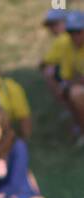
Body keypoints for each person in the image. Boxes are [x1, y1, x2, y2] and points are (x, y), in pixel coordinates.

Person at [58, 11, 84, 143]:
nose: (74, 36)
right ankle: (80, 128)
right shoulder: (68, 46)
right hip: (79, 85)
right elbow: (65, 75)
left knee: (76, 93)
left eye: (78, 31)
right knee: (68, 92)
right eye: (71, 32)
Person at [40, 8, 73, 109]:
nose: (52, 28)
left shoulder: (63, 38)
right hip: (69, 71)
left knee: (48, 72)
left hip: (73, 73)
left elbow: (45, 61)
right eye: (50, 25)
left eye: (55, 24)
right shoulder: (62, 38)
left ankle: (67, 105)